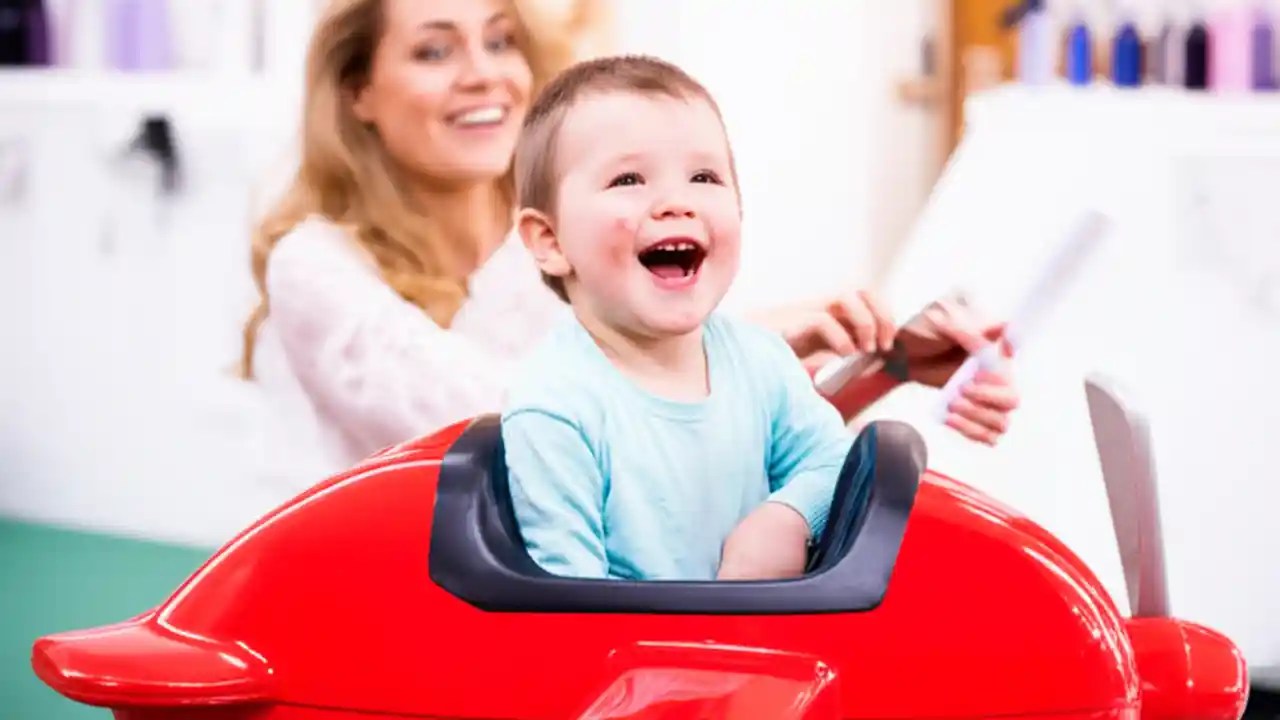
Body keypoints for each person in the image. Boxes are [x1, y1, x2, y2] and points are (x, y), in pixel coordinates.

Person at [241, 0, 1018, 487]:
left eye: (500, 39)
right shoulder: (312, 264)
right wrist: (765, 335)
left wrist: (886, 365)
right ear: (358, 93)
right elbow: (513, 423)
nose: (484, 75)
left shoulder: (544, 251)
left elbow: (695, 435)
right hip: (358, 620)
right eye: (435, 50)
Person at [501, 54, 1015, 583]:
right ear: (550, 241)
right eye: (628, 178)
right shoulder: (555, 407)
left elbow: (835, 463)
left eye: (704, 176)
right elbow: (564, 614)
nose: (677, 202)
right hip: (632, 662)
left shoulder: (759, 361)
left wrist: (786, 518)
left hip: (769, 653)